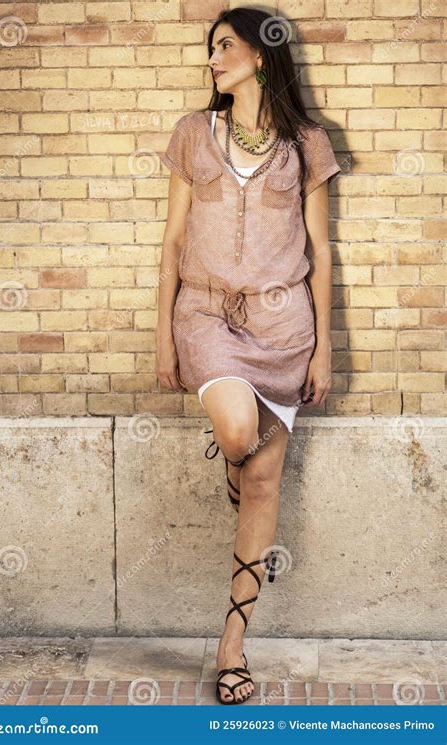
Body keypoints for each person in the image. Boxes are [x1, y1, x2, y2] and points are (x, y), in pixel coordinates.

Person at [156, 7, 341, 704]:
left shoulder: (306, 145)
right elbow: (173, 243)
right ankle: (235, 462)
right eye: (210, 49)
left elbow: (320, 253)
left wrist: (324, 348)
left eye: (224, 47)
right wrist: (161, 333)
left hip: (284, 327)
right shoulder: (191, 136)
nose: (212, 59)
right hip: (205, 313)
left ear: (262, 57)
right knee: (239, 432)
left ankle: (232, 645)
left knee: (264, 486)